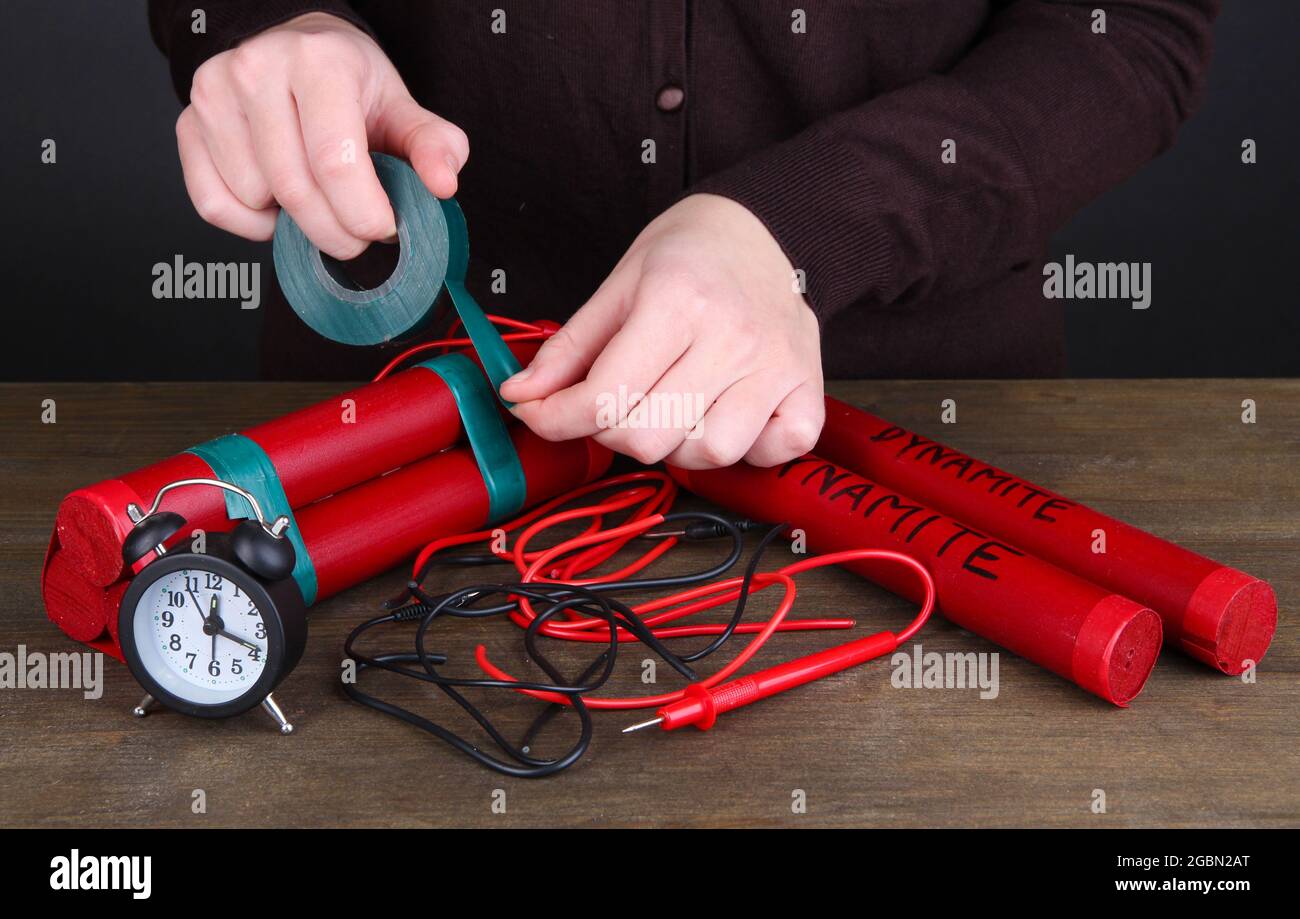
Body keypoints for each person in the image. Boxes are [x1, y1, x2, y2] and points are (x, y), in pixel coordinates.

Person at [148, 1, 1217, 470]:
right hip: (380, 455)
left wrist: (804, 224)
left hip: (913, 455)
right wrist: (271, 21)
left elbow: (1126, 25)